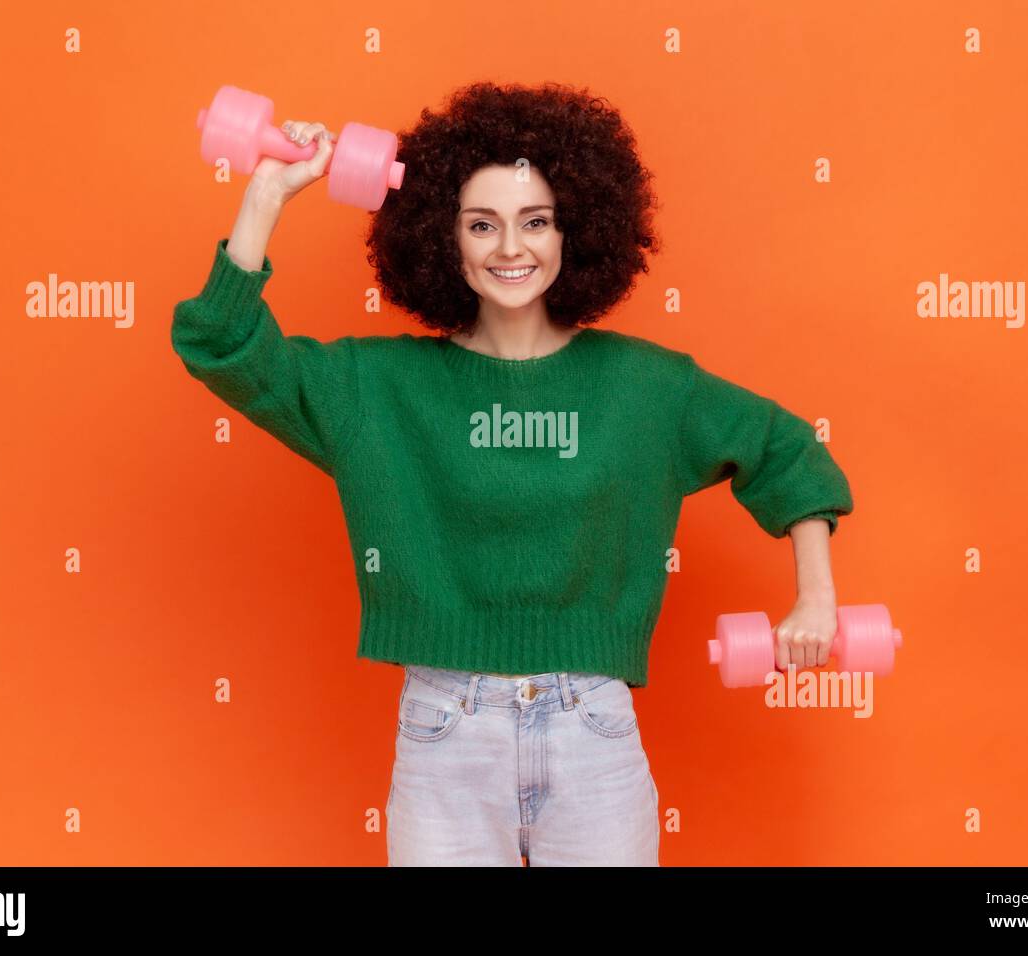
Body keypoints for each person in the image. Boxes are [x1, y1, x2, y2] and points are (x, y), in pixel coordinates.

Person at [171, 80, 853, 866]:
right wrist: (268, 190)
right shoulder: (375, 389)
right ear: (443, 238)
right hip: (443, 731)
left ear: (575, 233)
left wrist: (817, 598)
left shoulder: (647, 389)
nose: (510, 248)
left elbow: (786, 448)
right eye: (481, 224)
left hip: (592, 730)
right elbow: (223, 348)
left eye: (536, 222)